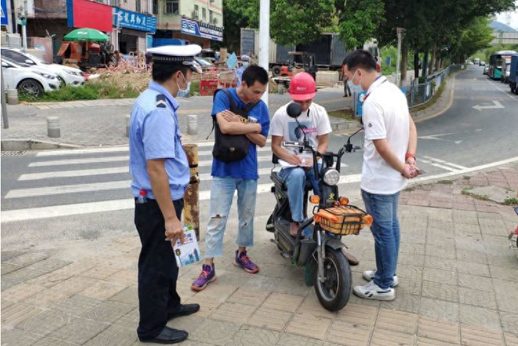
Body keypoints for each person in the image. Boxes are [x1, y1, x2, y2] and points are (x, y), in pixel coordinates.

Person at [129, 44, 203, 344]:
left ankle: (169, 305)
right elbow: (156, 169)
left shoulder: (152, 100)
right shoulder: (158, 110)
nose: (189, 81)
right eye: (188, 74)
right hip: (157, 203)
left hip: (160, 199)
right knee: (155, 265)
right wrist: (171, 217)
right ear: (178, 76)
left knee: (168, 260)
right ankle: (151, 328)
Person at [342, 49, 419, 301]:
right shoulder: (395, 91)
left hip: (379, 180)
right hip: (394, 179)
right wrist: (410, 158)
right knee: (392, 228)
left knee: (383, 233)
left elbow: (381, 146)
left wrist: (402, 167)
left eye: (351, 78)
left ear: (360, 72)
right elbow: (411, 126)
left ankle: (384, 285)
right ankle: (388, 272)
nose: (352, 83)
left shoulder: (372, 101)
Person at [191, 65, 270, 291]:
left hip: (248, 170)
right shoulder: (223, 97)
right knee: (217, 218)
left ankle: (242, 253)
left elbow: (263, 140)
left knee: (247, 216)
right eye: (255, 91)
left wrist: (241, 122)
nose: (258, 96)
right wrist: (251, 126)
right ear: (243, 84)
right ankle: (208, 265)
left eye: (261, 92)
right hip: (224, 169)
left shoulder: (261, 106)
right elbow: (224, 127)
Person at [270, 72, 332, 237]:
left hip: (313, 162)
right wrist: (290, 158)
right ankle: (296, 220)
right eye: (299, 101)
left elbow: (324, 142)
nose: (304, 106)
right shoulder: (281, 114)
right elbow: (275, 146)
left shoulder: (320, 112)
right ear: (292, 96)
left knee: (327, 179)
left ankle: (331, 223)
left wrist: (316, 157)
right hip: (289, 166)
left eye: (308, 101)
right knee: (297, 174)